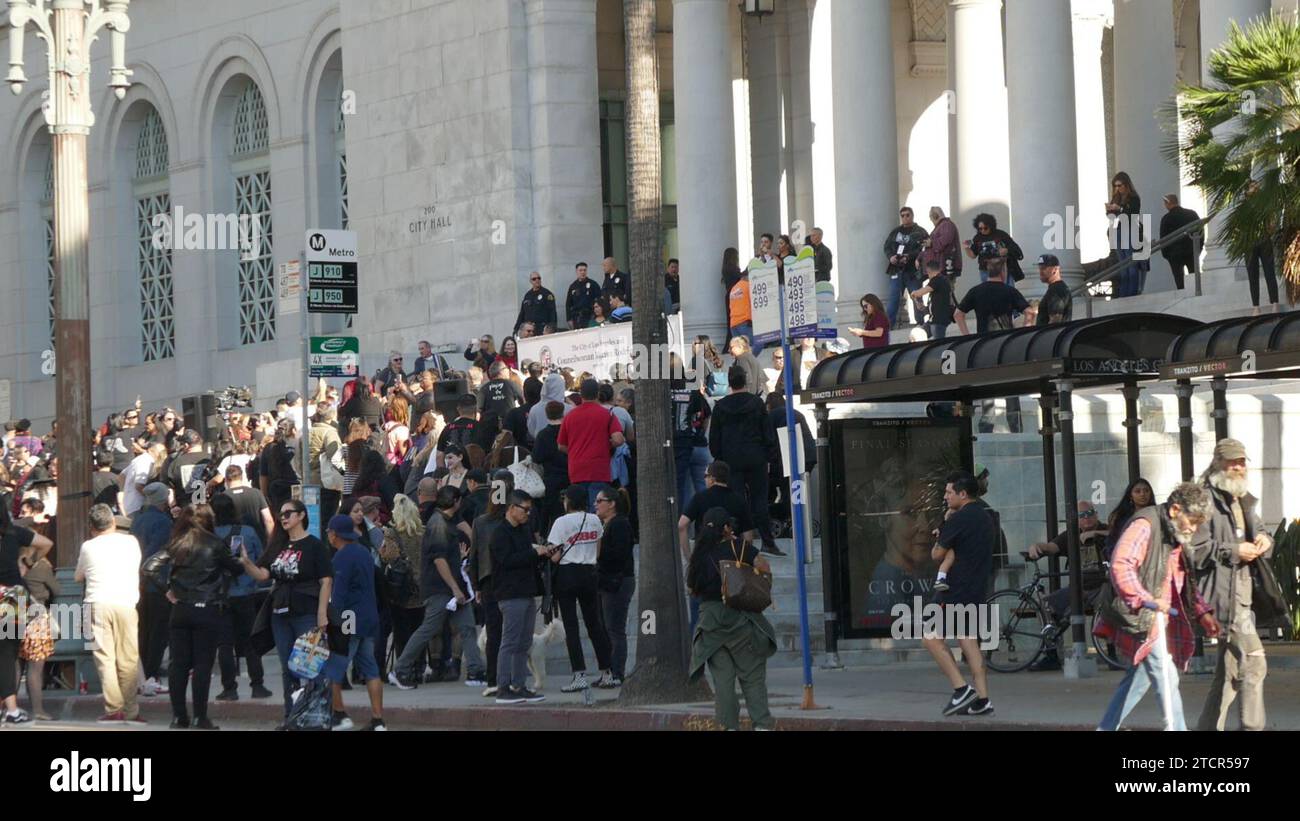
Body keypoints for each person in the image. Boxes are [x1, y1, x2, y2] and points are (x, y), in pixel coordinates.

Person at [1096, 483, 1221, 731]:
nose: (1194, 529)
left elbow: (1183, 580)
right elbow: (1121, 565)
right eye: (1193, 521)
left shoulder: (1178, 533)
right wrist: (1145, 599)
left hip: (1156, 618)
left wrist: (1202, 612)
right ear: (1175, 510)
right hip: (1142, 615)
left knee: (1138, 680)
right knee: (1167, 677)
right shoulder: (1145, 525)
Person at [1191, 439, 1274, 731]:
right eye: (1232, 461)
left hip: (1244, 594)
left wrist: (1265, 540)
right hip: (1221, 597)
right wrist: (1234, 550)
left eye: (1242, 461)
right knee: (1254, 661)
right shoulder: (1203, 500)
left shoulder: (1242, 498)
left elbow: (1260, 530)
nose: (1238, 466)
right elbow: (1195, 549)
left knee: (1228, 673)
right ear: (1218, 463)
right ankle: (1253, 728)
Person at [239, 498, 333, 723]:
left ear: (301, 515)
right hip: (280, 612)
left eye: (288, 513)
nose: (283, 518)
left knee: (311, 665)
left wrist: (322, 613)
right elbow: (263, 575)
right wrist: (245, 562)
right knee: (287, 667)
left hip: (306, 611)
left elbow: (326, 581)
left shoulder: (314, 545)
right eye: (281, 514)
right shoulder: (278, 545)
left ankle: (316, 716)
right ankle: (291, 716)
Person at [687, 507, 777, 731]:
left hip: (711, 623)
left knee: (723, 682)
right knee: (752, 676)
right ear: (726, 528)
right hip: (742, 617)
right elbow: (764, 566)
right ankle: (762, 725)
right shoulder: (739, 547)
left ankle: (728, 726)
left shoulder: (699, 553)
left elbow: (692, 589)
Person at [387, 486, 482, 689]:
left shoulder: (447, 519)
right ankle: (400, 669)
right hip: (441, 589)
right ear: (455, 501)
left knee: (466, 627)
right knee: (429, 629)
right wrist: (455, 589)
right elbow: (439, 560)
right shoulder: (438, 524)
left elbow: (466, 529)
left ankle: (476, 670)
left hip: (452, 587)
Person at [922, 472, 995, 718]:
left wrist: (942, 526)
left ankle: (961, 689)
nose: (945, 496)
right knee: (969, 642)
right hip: (976, 589)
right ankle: (983, 699)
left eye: (949, 492)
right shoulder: (985, 517)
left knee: (930, 637)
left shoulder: (958, 519)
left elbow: (937, 554)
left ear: (963, 494)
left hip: (954, 591)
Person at [165, 504, 242, 730]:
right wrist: (241, 559)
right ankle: (200, 717)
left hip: (180, 608)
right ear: (209, 521)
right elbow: (235, 568)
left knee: (177, 665)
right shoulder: (214, 543)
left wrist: (168, 589)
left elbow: (150, 567)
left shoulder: (177, 543)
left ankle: (179, 717)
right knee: (202, 665)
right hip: (206, 607)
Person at [75, 504, 144, 723]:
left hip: (96, 604)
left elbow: (78, 576)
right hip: (126, 603)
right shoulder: (131, 542)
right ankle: (132, 710)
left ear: (91, 527)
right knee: (129, 659)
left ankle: (114, 709)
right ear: (113, 522)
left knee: (105, 659)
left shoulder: (88, 547)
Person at [1023, 501, 1111, 671]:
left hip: (1102, 585)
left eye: (1090, 513)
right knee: (1047, 606)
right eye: (1082, 516)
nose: (1087, 518)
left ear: (1096, 514)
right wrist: (1036, 546)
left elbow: (1119, 534)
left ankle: (1111, 653)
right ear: (1076, 520)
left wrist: (1095, 533)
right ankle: (1051, 654)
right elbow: (1051, 546)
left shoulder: (1105, 529)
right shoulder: (1071, 535)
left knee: (1108, 606)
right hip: (1078, 588)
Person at [543, 485, 615, 691]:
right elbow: (598, 550)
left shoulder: (561, 522)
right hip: (590, 573)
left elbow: (555, 555)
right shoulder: (594, 519)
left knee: (572, 626)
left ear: (569, 501)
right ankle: (607, 672)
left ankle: (579, 675)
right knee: (595, 625)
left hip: (567, 574)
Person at [709, 366, 781, 557]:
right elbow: (768, 434)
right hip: (756, 457)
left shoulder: (720, 407)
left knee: (736, 501)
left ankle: (739, 541)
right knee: (760, 501)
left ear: (729, 383)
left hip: (731, 460)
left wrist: (720, 458)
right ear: (745, 380)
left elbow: (714, 439)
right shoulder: (757, 404)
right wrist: (769, 457)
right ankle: (768, 541)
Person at [324, 514, 386, 731]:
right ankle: (378, 720)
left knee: (334, 667)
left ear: (336, 534)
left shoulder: (341, 558)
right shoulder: (364, 553)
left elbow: (338, 595)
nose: (329, 536)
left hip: (349, 619)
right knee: (371, 669)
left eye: (330, 532)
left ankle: (339, 715)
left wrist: (331, 620)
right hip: (369, 617)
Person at [490, 491, 549, 704]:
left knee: (524, 642)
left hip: (527, 591)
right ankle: (503, 687)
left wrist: (543, 554)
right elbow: (507, 560)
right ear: (511, 508)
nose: (527, 514)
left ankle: (519, 684)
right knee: (510, 641)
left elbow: (527, 557)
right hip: (509, 593)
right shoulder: (499, 533)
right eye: (524, 509)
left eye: (529, 510)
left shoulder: (524, 530)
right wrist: (535, 553)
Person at [211, 492, 271, 701]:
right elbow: (260, 557)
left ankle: (229, 688)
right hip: (246, 594)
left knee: (225, 644)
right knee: (250, 642)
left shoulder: (211, 535)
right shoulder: (248, 532)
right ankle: (258, 685)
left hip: (221, 596)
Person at [0, 504, 52, 724]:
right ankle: (12, 710)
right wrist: (27, 563)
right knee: (6, 654)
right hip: (13, 596)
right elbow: (46, 543)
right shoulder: (13, 532)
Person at [131, 482, 174, 697]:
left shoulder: (136, 520)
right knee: (158, 632)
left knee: (143, 631)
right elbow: (156, 556)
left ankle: (144, 672)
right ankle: (151, 673)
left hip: (138, 584)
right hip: (157, 583)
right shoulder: (164, 523)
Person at [557, 379, 626, 510]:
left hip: (576, 469)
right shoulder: (607, 414)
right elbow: (618, 439)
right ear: (597, 393)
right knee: (597, 510)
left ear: (581, 394)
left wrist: (574, 451)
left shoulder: (569, 416)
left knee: (579, 511)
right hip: (599, 469)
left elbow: (561, 446)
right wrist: (607, 445)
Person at [595, 485, 634, 686]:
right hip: (607, 581)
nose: (596, 505)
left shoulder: (619, 524)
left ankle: (617, 672)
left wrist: (598, 551)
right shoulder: (606, 525)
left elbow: (619, 555)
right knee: (605, 628)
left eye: (599, 501)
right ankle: (608, 672)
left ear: (612, 504)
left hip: (617, 582)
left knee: (614, 628)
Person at [671, 372, 711, 515]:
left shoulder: (665, 394)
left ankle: (685, 528)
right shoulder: (693, 393)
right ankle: (706, 521)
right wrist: (700, 433)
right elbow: (706, 413)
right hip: (699, 445)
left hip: (677, 446)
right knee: (702, 486)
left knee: (684, 489)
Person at [883, 206, 930, 326]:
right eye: (902, 215)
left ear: (912, 216)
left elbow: (924, 249)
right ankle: (889, 326)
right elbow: (887, 247)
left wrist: (909, 256)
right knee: (893, 298)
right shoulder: (895, 232)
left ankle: (920, 324)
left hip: (912, 271)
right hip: (896, 269)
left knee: (916, 297)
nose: (905, 217)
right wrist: (891, 257)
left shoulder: (920, 232)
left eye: (907, 215)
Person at [954, 259, 1028, 335]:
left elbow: (958, 314)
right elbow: (1030, 312)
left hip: (984, 340)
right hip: (1005, 339)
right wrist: (1024, 333)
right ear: (1003, 272)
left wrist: (967, 336)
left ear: (988, 272)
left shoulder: (975, 291)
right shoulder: (1011, 291)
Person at [963, 212, 1024, 283]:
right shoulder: (977, 237)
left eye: (985, 228)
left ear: (991, 226)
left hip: (1002, 269)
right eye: (980, 229)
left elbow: (1015, 248)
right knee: (988, 292)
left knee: (1006, 291)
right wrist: (966, 248)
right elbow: (973, 255)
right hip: (985, 270)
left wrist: (1006, 250)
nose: (983, 230)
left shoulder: (1001, 234)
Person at [1159, 194, 1203, 291]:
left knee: (1179, 281)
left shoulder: (1166, 218)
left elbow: (1163, 238)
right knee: (1194, 276)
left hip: (1174, 254)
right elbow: (1200, 231)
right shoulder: (1192, 214)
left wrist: (1166, 254)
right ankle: (1197, 292)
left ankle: (1183, 294)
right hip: (1191, 251)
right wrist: (1198, 248)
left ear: (1168, 203)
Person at [1105, 478, 1155, 558]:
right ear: (1130, 496)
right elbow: (1112, 542)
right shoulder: (1122, 519)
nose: (1142, 494)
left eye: (1146, 491)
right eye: (1137, 491)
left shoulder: (1157, 515)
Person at [909, 259, 954, 340]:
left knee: (938, 342)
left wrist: (914, 293)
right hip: (933, 319)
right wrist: (923, 307)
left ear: (928, 271)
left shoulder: (937, 280)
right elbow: (936, 301)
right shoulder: (943, 280)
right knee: (917, 336)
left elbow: (921, 292)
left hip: (938, 320)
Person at [121, 442, 167, 516]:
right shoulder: (146, 461)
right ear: (151, 450)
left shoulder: (138, 459)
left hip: (130, 502)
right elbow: (139, 485)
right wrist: (152, 498)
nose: (162, 456)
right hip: (137, 505)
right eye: (160, 453)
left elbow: (122, 476)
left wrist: (126, 490)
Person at [921, 206, 963, 280]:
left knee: (945, 290)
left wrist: (931, 243)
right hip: (940, 267)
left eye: (930, 218)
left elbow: (944, 242)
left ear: (935, 216)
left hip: (945, 267)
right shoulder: (942, 226)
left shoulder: (946, 225)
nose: (931, 221)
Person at [1035, 254, 1072, 325]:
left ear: (1055, 269)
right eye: (1039, 268)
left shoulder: (1056, 290)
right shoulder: (1055, 288)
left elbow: (1055, 319)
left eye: (1044, 268)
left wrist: (1046, 335)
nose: (1040, 272)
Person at [566, 262, 602, 329]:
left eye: (584, 270)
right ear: (576, 271)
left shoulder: (593, 284)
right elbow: (568, 304)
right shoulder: (573, 286)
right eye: (580, 270)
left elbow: (600, 300)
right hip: (577, 318)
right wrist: (569, 319)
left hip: (590, 316)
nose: (583, 272)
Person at [727, 268, 753, 348]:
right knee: (758, 343)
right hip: (744, 322)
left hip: (733, 324)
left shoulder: (734, 288)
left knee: (740, 350)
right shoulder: (748, 286)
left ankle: (742, 360)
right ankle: (748, 360)